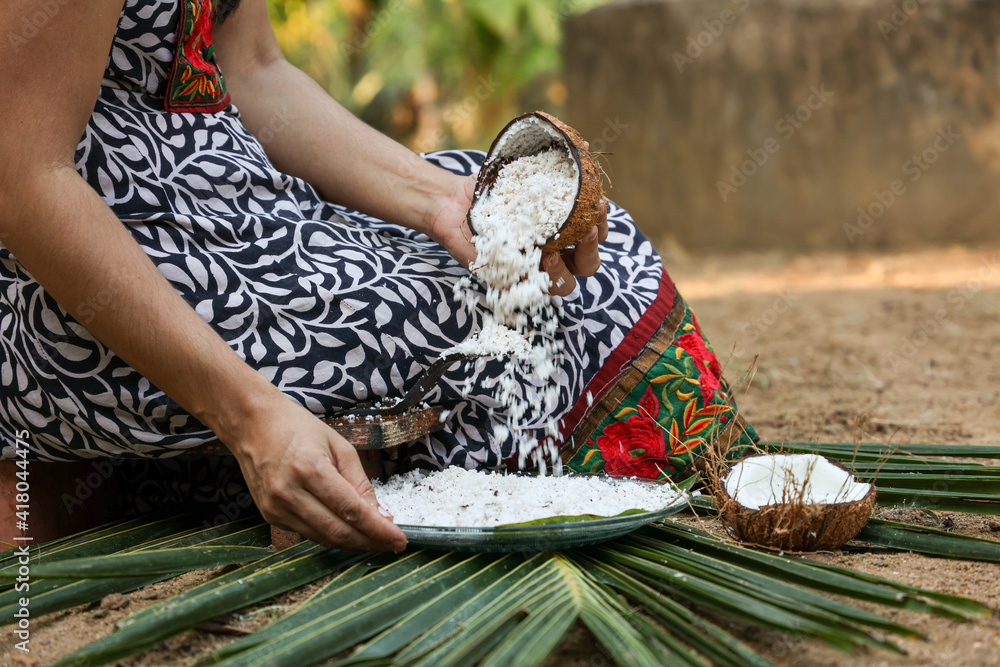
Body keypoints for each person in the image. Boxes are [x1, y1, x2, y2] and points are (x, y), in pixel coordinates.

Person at [0, 0, 756, 552]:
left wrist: (443, 201)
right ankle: (249, 463)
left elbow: (252, 70)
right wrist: (251, 418)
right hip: (86, 246)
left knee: (591, 253)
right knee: (445, 319)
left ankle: (242, 472)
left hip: (239, 202)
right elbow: (23, 178)